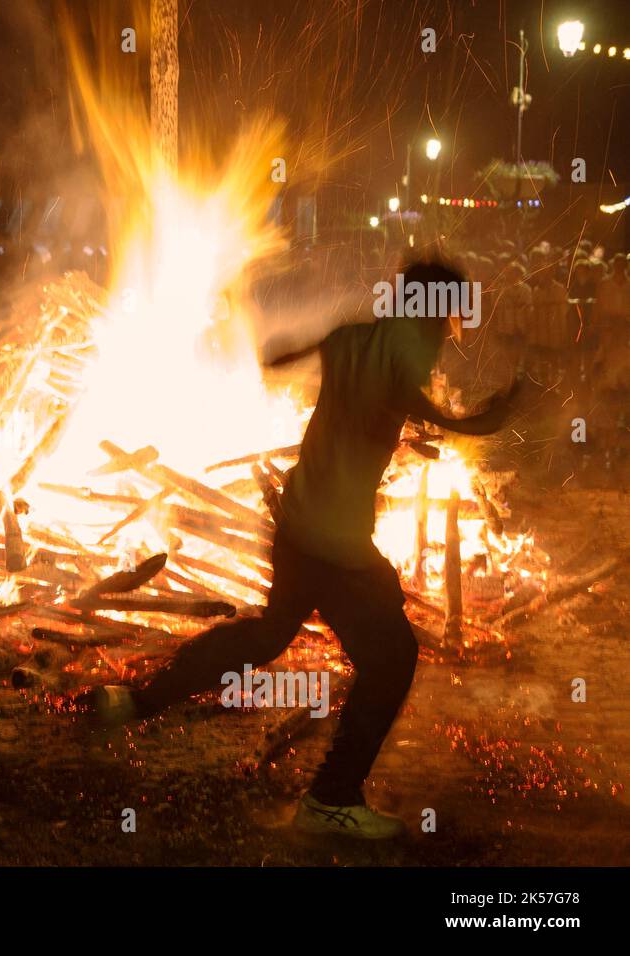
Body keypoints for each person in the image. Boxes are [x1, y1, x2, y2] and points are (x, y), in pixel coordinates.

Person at [82, 260, 518, 840]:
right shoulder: (401, 356)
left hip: (298, 525)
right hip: (336, 548)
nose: (449, 333)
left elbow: (301, 355)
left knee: (268, 635)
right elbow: (430, 410)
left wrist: (263, 356)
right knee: (393, 659)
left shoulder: (354, 338)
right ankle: (332, 798)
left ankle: (135, 703)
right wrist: (496, 415)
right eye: (449, 318)